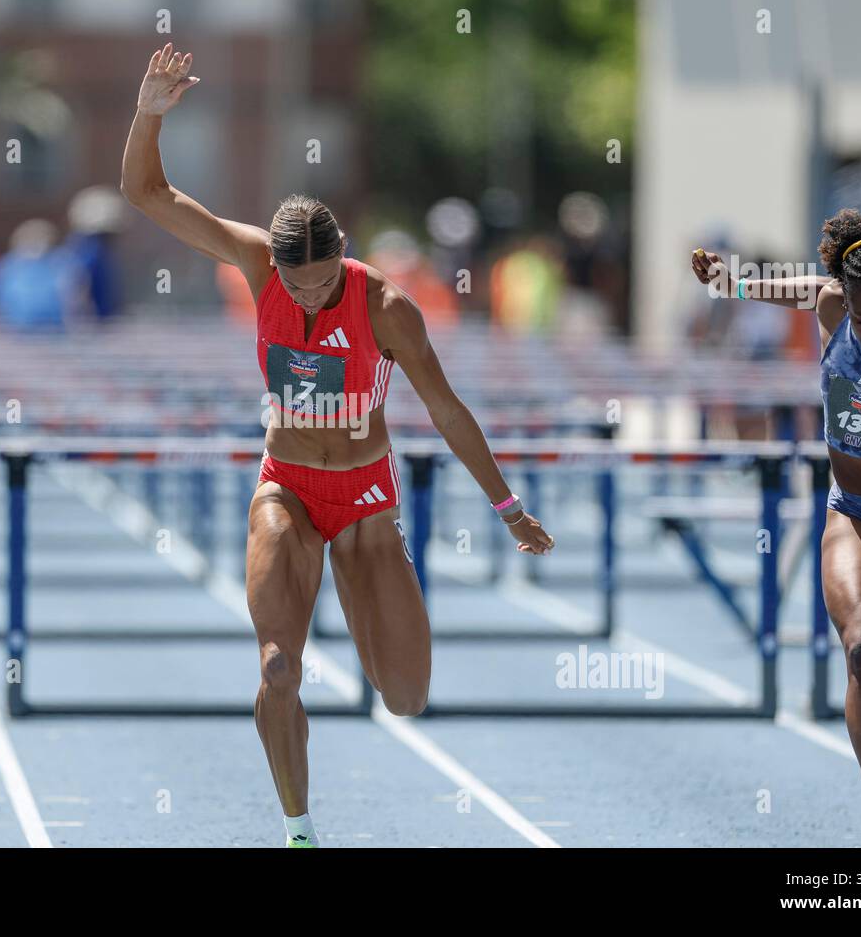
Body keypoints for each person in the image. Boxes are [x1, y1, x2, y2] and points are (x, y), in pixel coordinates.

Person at [121, 43, 554, 847]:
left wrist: (507, 506)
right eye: (297, 285)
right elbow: (146, 192)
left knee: (406, 696)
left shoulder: (386, 306)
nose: (310, 295)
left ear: (343, 261)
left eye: (323, 282)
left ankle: (385, 579)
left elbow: (449, 410)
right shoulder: (258, 263)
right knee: (277, 669)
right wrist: (148, 113)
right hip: (284, 485)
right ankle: (299, 832)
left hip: (362, 498)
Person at [691, 203, 861, 847]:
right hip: (855, 511)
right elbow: (786, 288)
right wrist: (726, 282)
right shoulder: (830, 306)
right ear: (846, 300)